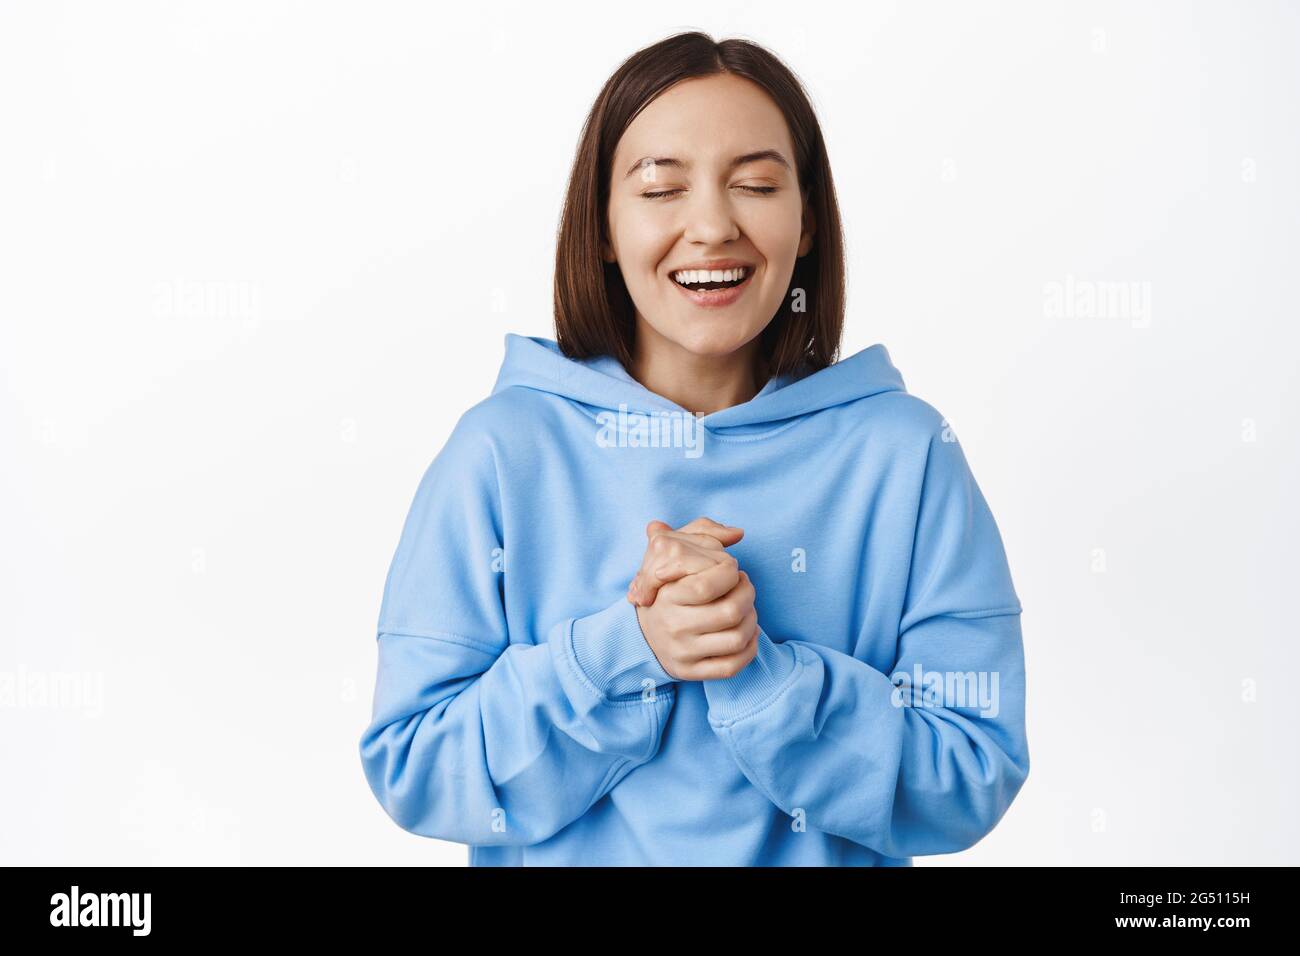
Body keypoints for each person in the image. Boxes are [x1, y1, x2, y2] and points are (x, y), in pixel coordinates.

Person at [358, 31, 1029, 866]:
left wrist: (764, 676)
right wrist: (625, 649)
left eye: (755, 184)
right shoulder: (501, 453)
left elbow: (974, 770)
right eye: (659, 188)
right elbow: (414, 765)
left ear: (808, 220)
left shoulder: (908, 456)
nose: (711, 226)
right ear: (602, 226)